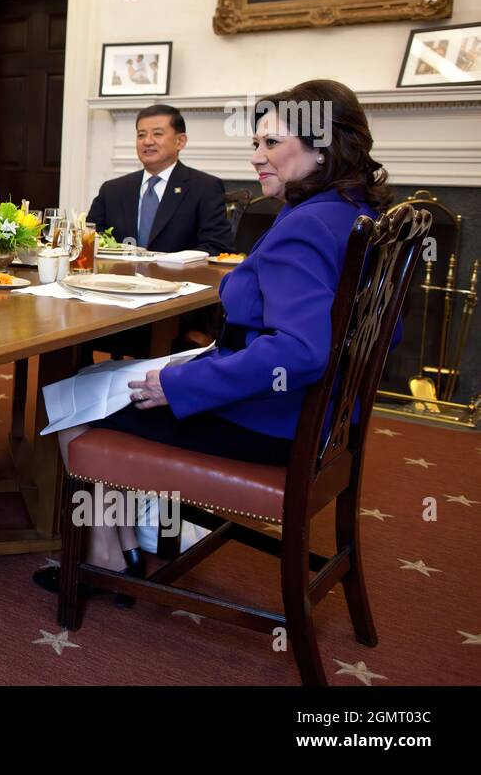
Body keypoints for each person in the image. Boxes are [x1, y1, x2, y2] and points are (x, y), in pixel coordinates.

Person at [34, 79, 394, 603]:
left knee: (69, 399)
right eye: (255, 143)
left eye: (271, 143)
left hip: (275, 422)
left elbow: (299, 352)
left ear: (322, 147)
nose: (256, 157)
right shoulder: (355, 213)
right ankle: (129, 541)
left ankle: (105, 556)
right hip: (324, 418)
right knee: (95, 378)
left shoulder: (307, 226)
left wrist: (181, 383)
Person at [85, 104, 234, 254]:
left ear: (180, 141)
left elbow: (217, 246)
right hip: (118, 276)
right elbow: (90, 237)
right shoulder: (113, 190)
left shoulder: (205, 188)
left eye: (157, 134)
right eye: (141, 135)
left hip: (176, 277)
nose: (147, 141)